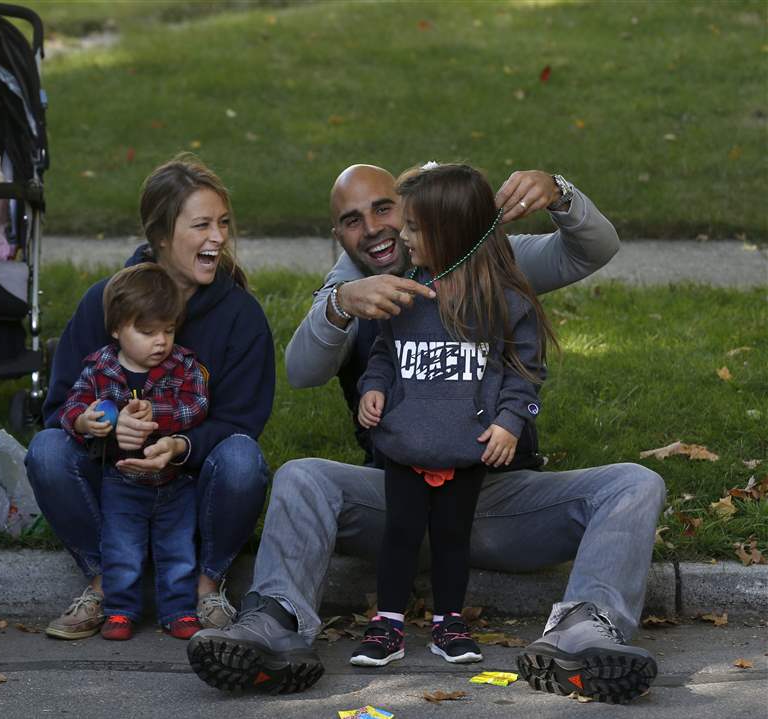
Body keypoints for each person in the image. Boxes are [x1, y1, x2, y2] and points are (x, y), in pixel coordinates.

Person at [188, 164, 665, 704]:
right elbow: (301, 371)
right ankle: (273, 625)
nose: (372, 229)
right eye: (351, 220)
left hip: (498, 497)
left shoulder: (488, 260)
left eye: (385, 210)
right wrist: (343, 305)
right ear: (338, 236)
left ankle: (585, 631)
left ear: (419, 214)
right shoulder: (353, 278)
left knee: (634, 483)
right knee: (302, 477)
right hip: (399, 502)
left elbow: (592, 250)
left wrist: (559, 192)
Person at [26, 155, 275, 639]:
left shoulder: (240, 316)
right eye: (202, 225)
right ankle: (105, 582)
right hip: (113, 485)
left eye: (223, 223)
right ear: (161, 236)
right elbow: (58, 409)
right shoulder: (106, 301)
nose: (219, 237)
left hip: (192, 493)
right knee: (47, 451)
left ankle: (205, 586)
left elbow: (241, 424)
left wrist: (181, 446)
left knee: (244, 459)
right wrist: (105, 425)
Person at [350, 164, 556, 668]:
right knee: (398, 534)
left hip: (467, 447)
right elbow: (382, 352)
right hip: (404, 444)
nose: (402, 234)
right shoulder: (401, 291)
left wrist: (511, 421)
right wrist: (373, 389)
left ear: (453, 233)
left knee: (450, 538)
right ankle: (388, 625)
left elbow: (525, 369)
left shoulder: (499, 301)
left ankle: (449, 623)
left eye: (416, 228)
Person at [58, 263, 209, 641]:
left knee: (178, 548)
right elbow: (72, 407)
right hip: (121, 479)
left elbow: (197, 406)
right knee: (120, 547)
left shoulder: (183, 366)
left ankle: (179, 610)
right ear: (116, 329)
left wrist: (156, 414)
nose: (160, 341)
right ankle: (120, 610)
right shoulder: (100, 369)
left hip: (174, 480)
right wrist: (86, 423)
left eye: (168, 330)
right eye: (147, 332)